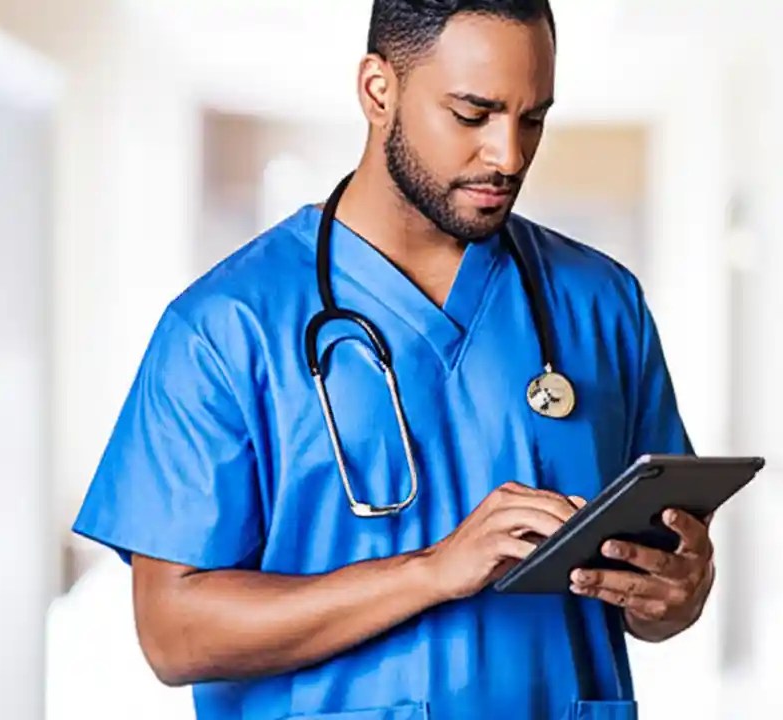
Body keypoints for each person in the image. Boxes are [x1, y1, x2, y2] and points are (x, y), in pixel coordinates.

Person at [71, 1, 717, 718]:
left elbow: (656, 589)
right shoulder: (225, 327)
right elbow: (173, 633)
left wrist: (672, 596)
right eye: (473, 115)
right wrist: (434, 571)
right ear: (379, 91)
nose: (509, 155)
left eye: (532, 118)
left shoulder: (600, 304)